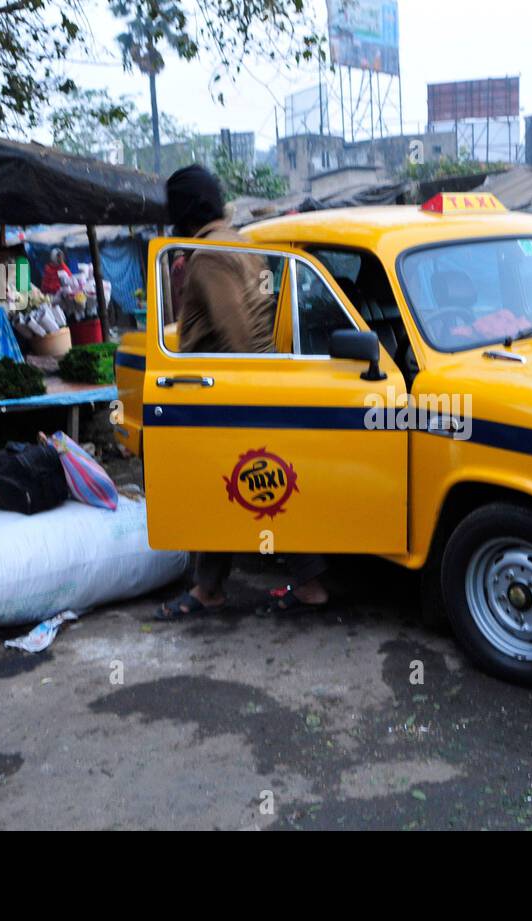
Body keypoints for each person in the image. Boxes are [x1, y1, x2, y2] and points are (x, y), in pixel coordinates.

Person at [157, 164, 330, 618]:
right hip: (257, 379)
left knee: (238, 489)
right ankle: (279, 585)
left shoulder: (208, 255)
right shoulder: (241, 243)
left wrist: (239, 389)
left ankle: (214, 589)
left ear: (184, 213)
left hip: (228, 386)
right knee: (258, 489)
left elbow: (234, 333)